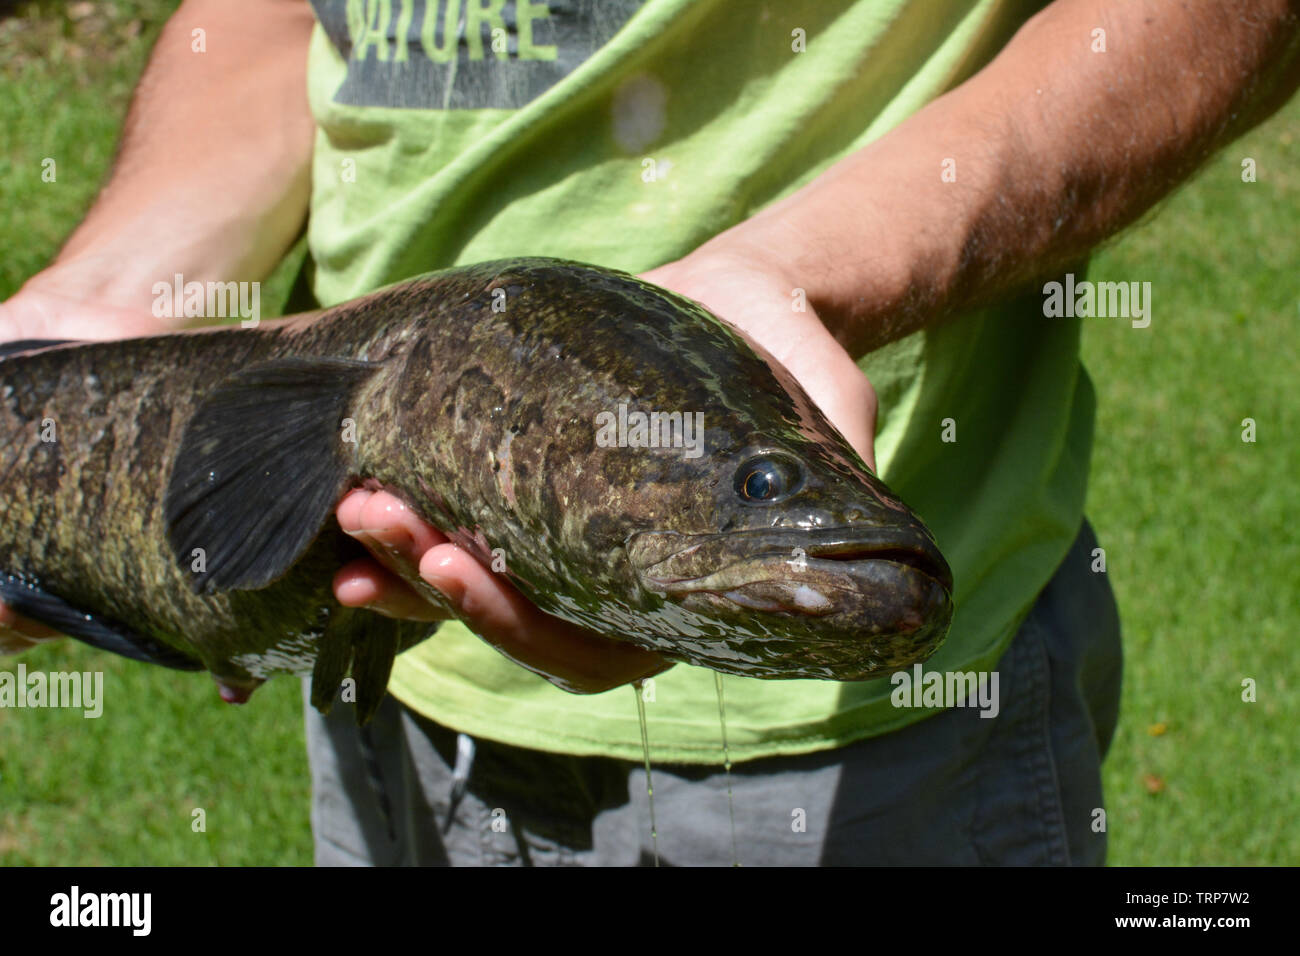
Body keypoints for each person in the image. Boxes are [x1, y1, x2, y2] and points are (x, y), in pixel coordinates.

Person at [2, 0, 1297, 865]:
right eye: (760, 480)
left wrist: (805, 277)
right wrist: (124, 295)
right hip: (372, 685)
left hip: (870, 763)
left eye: (764, 479)